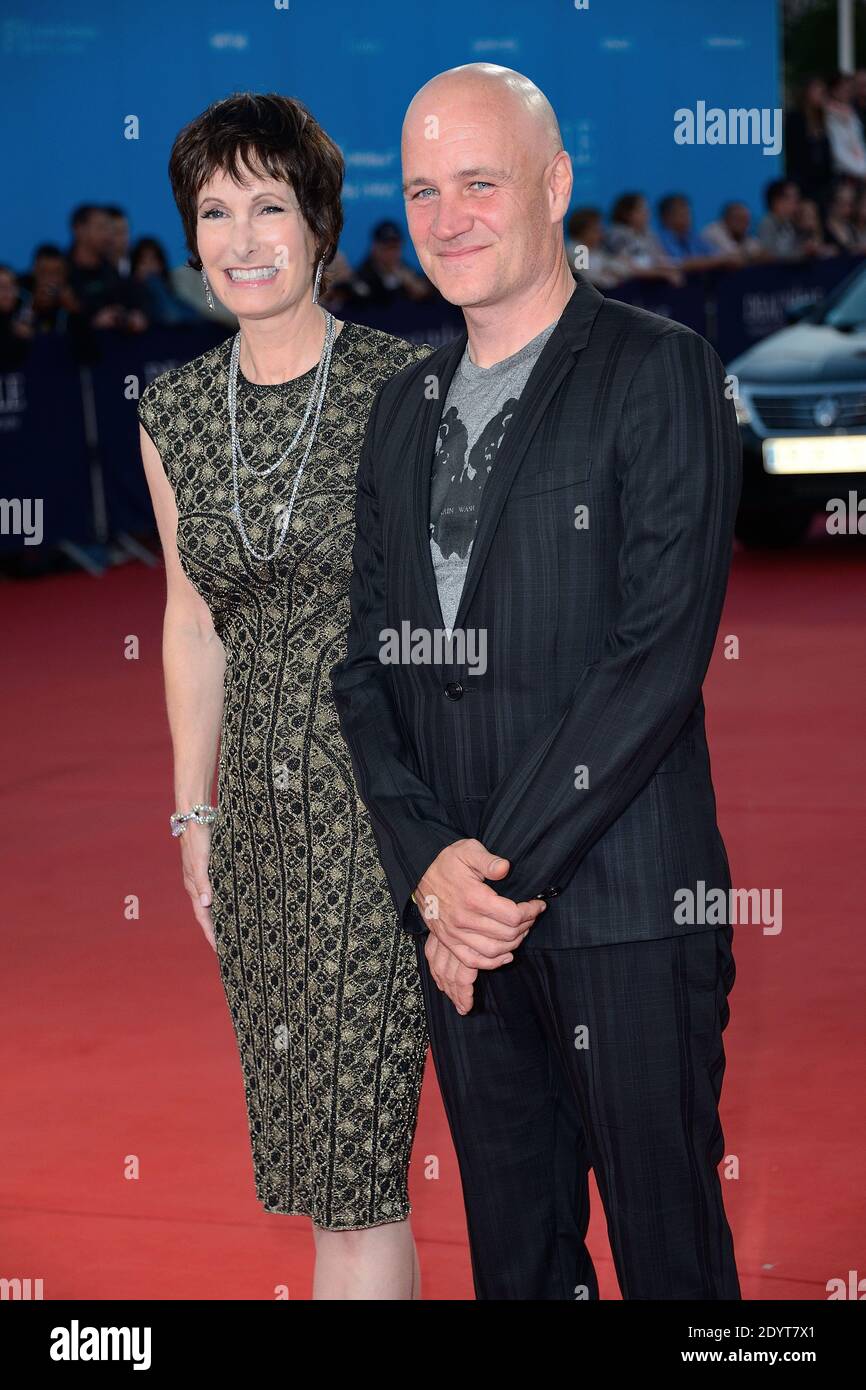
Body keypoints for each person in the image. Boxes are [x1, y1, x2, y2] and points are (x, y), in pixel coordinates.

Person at [331, 61, 742, 1301]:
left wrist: (482, 884)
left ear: (553, 184)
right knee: (515, 1263)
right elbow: (361, 668)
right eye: (419, 190)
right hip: (461, 925)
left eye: (477, 182)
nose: (445, 217)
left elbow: (654, 656)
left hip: (620, 908)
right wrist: (429, 869)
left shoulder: (656, 368)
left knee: (671, 1261)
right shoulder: (398, 410)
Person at [137, 92, 432, 1300]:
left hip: (384, 808)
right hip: (256, 833)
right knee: (317, 1166)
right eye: (216, 209)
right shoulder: (171, 415)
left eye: (271, 204)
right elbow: (191, 620)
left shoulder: (404, 385)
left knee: (357, 1165)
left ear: (319, 225)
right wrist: (190, 815)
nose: (243, 236)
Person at [353, 219, 431, 304]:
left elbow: (425, 294)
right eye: (386, 247)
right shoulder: (362, 276)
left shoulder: (407, 271)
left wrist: (412, 286)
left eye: (394, 247)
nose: (391, 253)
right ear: (374, 247)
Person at [656, 193, 737, 272]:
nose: (688, 218)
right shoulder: (660, 239)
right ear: (666, 218)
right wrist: (719, 260)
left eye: (688, 213)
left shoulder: (693, 237)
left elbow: (716, 254)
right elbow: (680, 264)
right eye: (682, 214)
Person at [784, 76, 833, 205]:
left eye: (824, 92)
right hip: (802, 183)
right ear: (806, 92)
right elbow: (795, 151)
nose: (822, 95)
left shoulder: (824, 121)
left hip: (823, 185)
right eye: (818, 91)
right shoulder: (795, 118)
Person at [824, 71, 866, 182]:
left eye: (849, 89)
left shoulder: (852, 113)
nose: (846, 92)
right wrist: (862, 171)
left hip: (859, 171)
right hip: (842, 175)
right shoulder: (827, 114)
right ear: (833, 90)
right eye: (842, 88)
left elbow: (858, 143)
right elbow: (837, 151)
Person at [757, 179, 803, 259]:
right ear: (777, 202)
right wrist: (801, 253)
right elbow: (770, 254)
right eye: (792, 198)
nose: (797, 202)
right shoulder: (766, 224)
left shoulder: (790, 224)